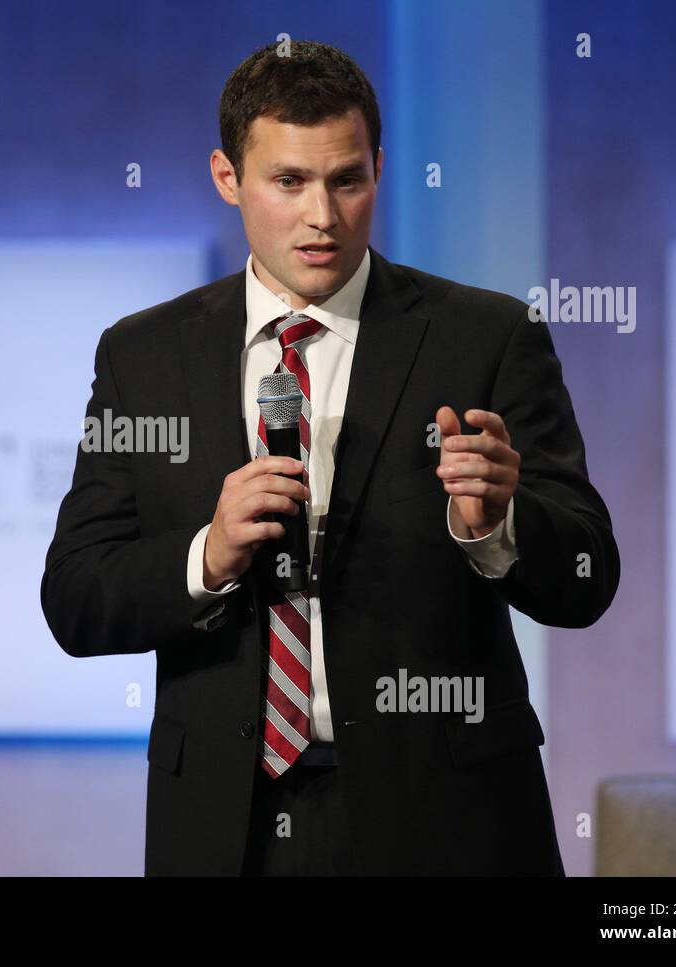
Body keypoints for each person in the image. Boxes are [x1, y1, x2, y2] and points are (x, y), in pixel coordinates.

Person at [40, 39, 619, 875]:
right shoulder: (143, 356)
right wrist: (209, 553)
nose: (323, 215)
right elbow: (76, 598)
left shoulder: (484, 338)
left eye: (346, 180)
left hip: (447, 823)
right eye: (289, 182)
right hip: (224, 825)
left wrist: (496, 527)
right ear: (226, 177)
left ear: (379, 170)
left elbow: (588, 575)